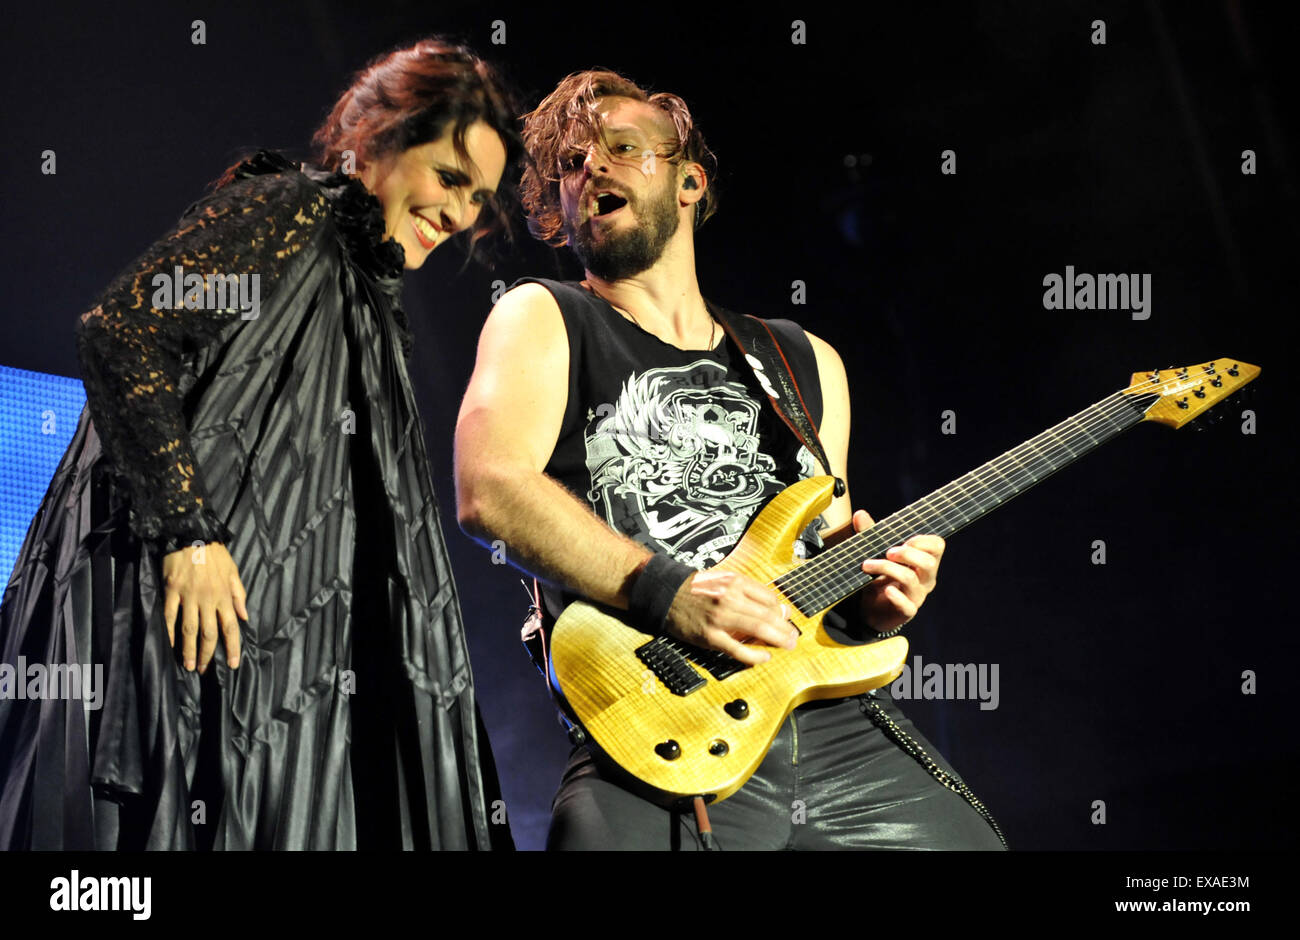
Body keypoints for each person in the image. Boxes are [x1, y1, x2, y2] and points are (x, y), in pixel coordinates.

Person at [454, 70, 1006, 850]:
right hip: (656, 729)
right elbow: (489, 491)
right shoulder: (544, 316)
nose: (591, 170)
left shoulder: (805, 360)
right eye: (571, 164)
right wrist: (672, 593)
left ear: (688, 180)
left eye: (621, 148)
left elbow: (816, 557)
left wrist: (872, 603)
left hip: (835, 727)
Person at [0, 38, 522, 850]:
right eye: (451, 178)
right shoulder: (288, 209)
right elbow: (124, 331)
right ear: (382, 137)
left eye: (478, 200)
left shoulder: (367, 299)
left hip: (269, 674)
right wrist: (189, 534)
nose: (460, 216)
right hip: (173, 628)